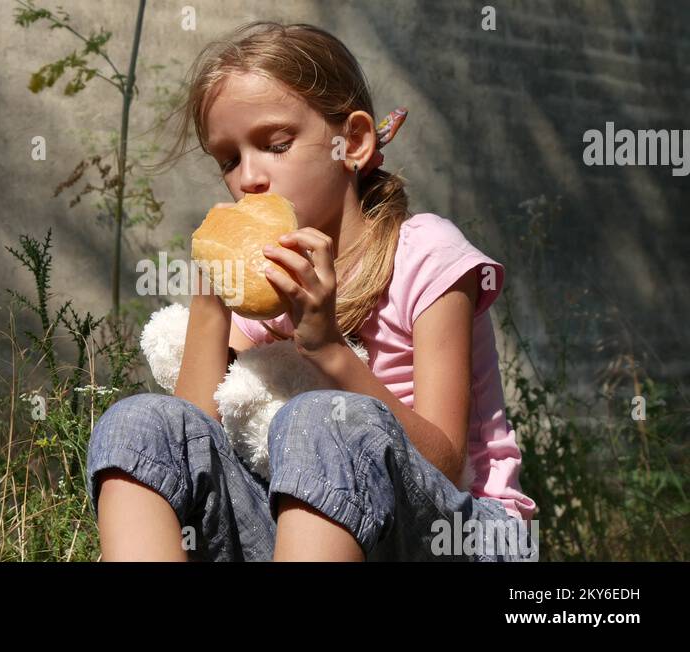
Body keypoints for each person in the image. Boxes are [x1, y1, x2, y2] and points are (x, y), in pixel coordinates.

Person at [85, 21, 537, 561]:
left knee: (324, 417)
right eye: (228, 160)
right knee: (139, 422)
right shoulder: (265, 293)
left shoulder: (426, 253)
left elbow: (443, 463)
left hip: (462, 533)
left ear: (355, 142)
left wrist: (327, 348)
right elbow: (190, 447)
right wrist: (211, 296)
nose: (248, 177)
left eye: (275, 144)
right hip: (316, 529)